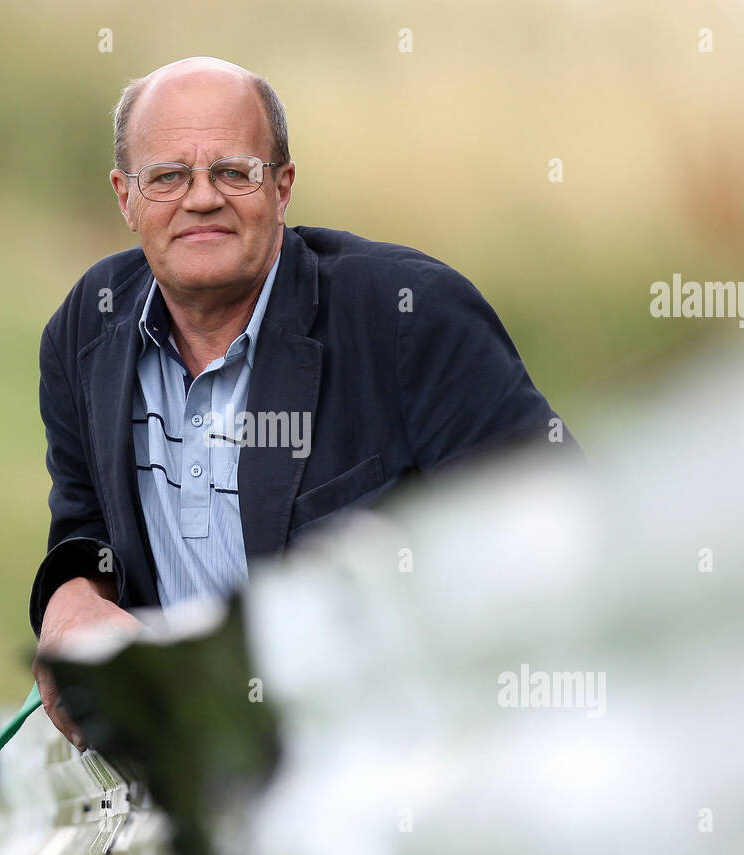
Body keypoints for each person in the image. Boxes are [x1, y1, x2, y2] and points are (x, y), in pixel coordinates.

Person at [30, 56, 578, 750]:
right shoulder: (86, 331)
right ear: (124, 196)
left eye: (234, 172)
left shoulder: (408, 318)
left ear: (283, 187)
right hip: (212, 783)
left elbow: (561, 536)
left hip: (422, 756)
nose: (202, 198)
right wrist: (72, 596)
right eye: (168, 177)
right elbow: (85, 523)